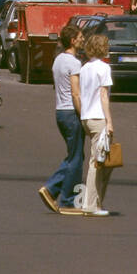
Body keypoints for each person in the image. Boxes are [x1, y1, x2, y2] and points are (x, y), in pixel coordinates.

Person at [39, 23, 85, 215]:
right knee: (76, 159)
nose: (83, 40)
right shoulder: (74, 63)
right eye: (81, 37)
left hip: (60, 111)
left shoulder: (58, 60)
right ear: (73, 41)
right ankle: (67, 200)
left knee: (74, 155)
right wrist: (83, 116)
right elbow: (76, 93)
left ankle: (51, 189)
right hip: (71, 112)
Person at [79, 33, 115, 217]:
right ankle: (91, 204)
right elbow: (103, 96)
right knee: (98, 162)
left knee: (102, 161)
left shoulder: (85, 68)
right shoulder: (104, 68)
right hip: (98, 117)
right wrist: (109, 121)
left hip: (86, 117)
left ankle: (97, 201)